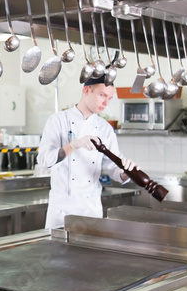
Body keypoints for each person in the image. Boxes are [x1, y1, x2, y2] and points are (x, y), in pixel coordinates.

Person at [37, 74, 138, 229]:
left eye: (109, 98)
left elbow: (114, 170)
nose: (105, 102)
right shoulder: (57, 121)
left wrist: (127, 171)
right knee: (57, 253)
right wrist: (73, 145)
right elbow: (44, 161)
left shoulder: (105, 128)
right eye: (102, 95)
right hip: (61, 208)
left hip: (90, 208)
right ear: (86, 91)